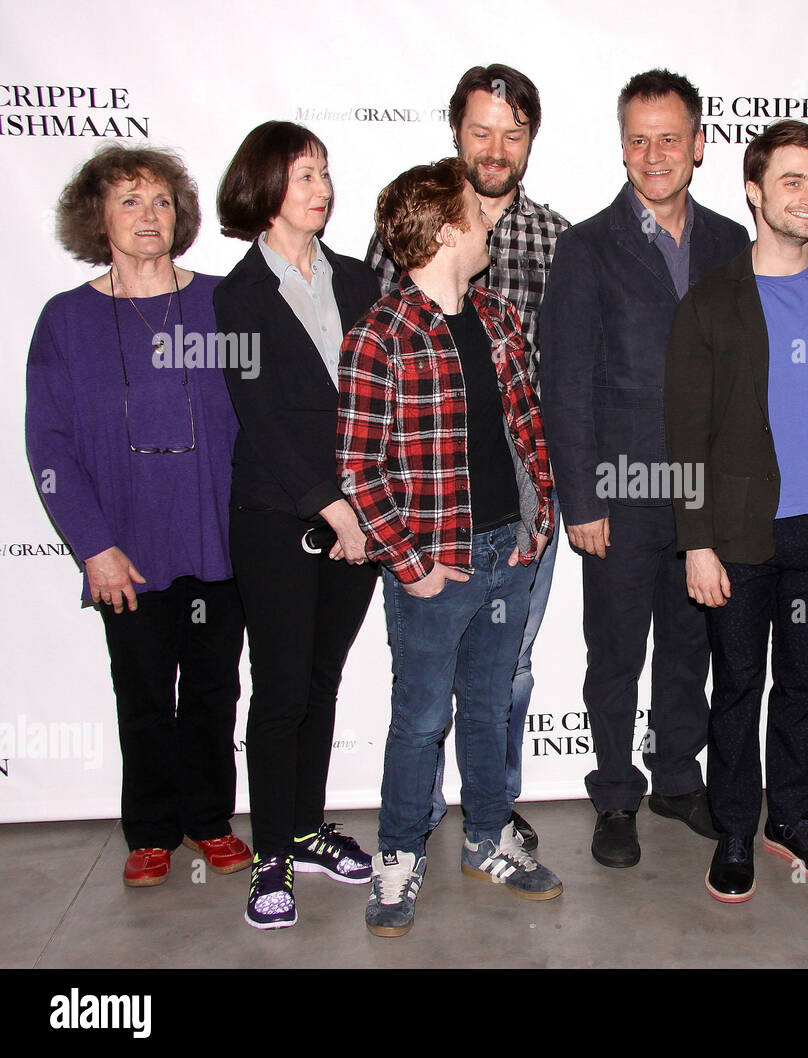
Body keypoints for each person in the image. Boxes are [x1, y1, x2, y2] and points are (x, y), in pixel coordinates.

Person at [339, 159, 560, 938]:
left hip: (509, 552)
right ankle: (398, 853)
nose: (491, 220)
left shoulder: (497, 316)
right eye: (476, 210)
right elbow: (359, 469)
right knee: (421, 717)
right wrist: (413, 564)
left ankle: (487, 837)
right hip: (435, 565)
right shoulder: (379, 335)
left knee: (491, 708)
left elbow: (528, 431)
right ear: (446, 230)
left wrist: (539, 525)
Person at [665, 120, 808, 903]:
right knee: (737, 687)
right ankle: (733, 826)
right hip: (737, 534)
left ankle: (790, 818)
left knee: (801, 682)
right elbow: (684, 435)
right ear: (754, 191)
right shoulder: (712, 302)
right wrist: (697, 541)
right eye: (792, 181)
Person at [541, 69, 749, 869]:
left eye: (669, 137)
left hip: (707, 495)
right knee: (618, 651)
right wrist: (583, 499)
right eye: (638, 138)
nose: (654, 154)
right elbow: (567, 381)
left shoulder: (733, 242)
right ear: (621, 146)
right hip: (621, 496)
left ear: (699, 145)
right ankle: (617, 794)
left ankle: (675, 780)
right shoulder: (587, 246)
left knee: (691, 647)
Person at [26, 144, 249, 888]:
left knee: (218, 690)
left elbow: (264, 418)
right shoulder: (65, 320)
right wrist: (94, 548)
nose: (148, 215)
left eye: (159, 201)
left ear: (179, 214)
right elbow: (48, 443)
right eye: (128, 201)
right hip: (126, 550)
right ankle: (151, 829)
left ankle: (210, 821)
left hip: (222, 542)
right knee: (147, 695)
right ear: (98, 217)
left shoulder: (223, 302)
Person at [367, 65, 569, 850]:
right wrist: (393, 537)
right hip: (429, 521)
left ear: (530, 142)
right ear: (456, 132)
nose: (496, 147)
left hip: (515, 512)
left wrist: (547, 506)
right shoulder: (404, 246)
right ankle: (405, 838)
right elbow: (373, 418)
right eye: (481, 130)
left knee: (503, 678)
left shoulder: (554, 242)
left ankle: (494, 815)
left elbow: (552, 393)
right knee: (420, 701)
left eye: (513, 133)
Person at [214, 121, 379, 929]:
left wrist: (369, 509)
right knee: (279, 690)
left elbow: (380, 402)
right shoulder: (235, 295)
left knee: (322, 682)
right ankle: (270, 851)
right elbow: (263, 419)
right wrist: (335, 508)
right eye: (303, 175)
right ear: (264, 189)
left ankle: (311, 828)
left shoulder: (359, 280)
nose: (320, 188)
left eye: (323, 173)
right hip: (280, 519)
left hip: (361, 522)